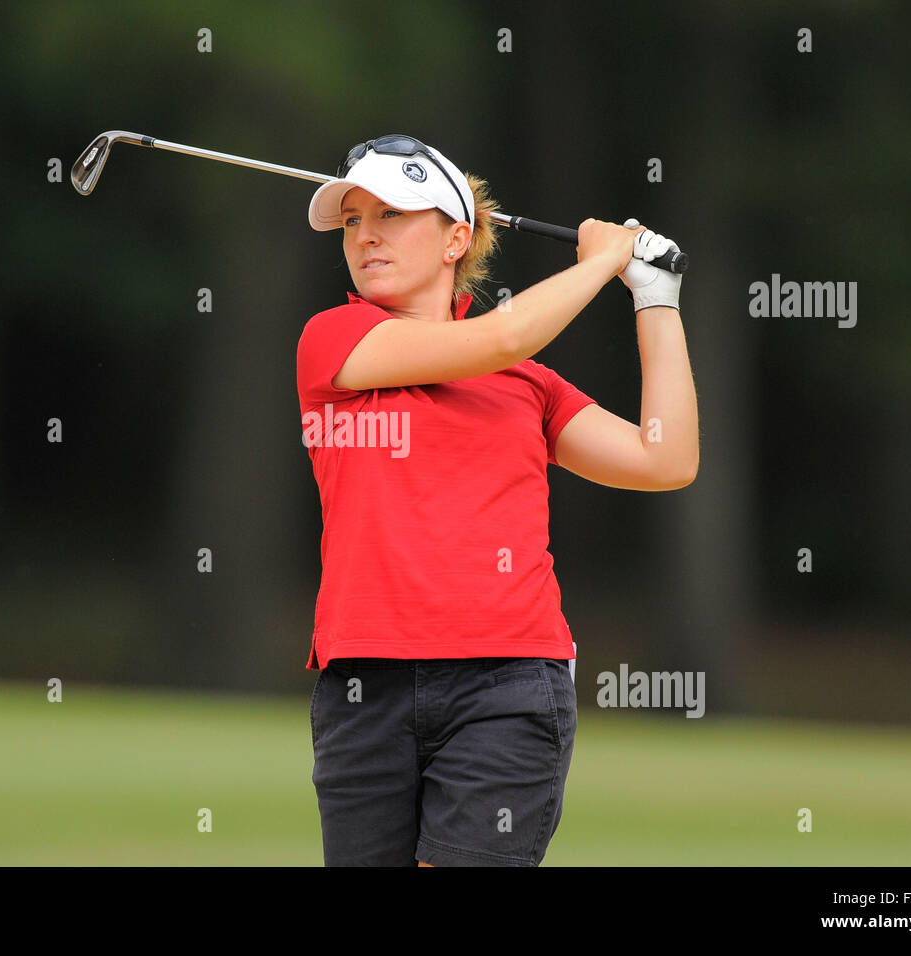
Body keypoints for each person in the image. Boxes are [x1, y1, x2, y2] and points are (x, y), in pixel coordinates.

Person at [296, 134, 698, 866]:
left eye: (392, 212)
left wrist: (654, 297)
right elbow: (502, 335)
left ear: (457, 237)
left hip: (507, 685)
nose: (367, 235)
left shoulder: (527, 386)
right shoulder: (335, 339)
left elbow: (664, 458)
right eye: (352, 220)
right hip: (362, 687)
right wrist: (605, 258)